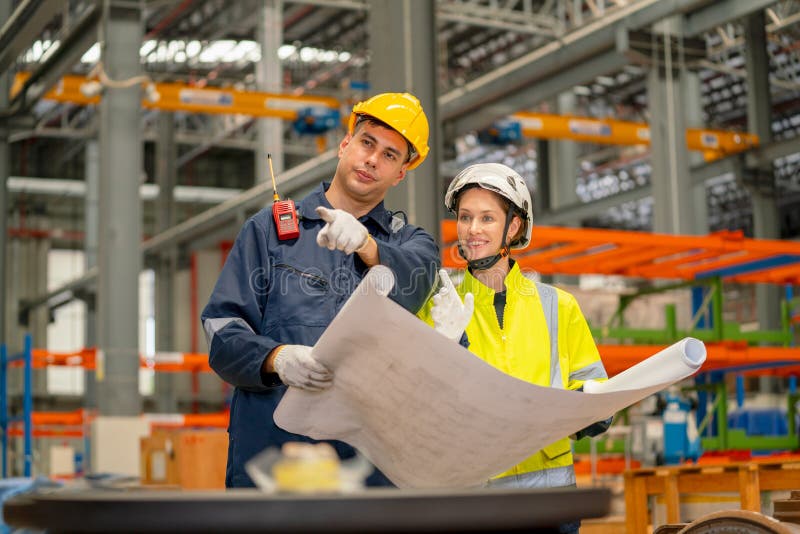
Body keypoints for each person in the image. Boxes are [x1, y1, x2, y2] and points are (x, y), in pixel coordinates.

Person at [201, 92, 439, 488]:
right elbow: (222, 331)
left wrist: (367, 244)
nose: (373, 160)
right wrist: (275, 358)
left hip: (370, 468)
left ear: (400, 174)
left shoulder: (410, 245)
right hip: (273, 462)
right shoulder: (270, 232)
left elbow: (419, 277)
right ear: (345, 144)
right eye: (367, 143)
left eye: (391, 155)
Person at [422, 162, 610, 534]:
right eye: (465, 217)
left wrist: (593, 406)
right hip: (475, 500)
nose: (472, 230)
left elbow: (593, 387)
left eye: (487, 218)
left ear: (514, 226)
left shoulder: (559, 306)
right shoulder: (439, 310)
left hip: (552, 501)